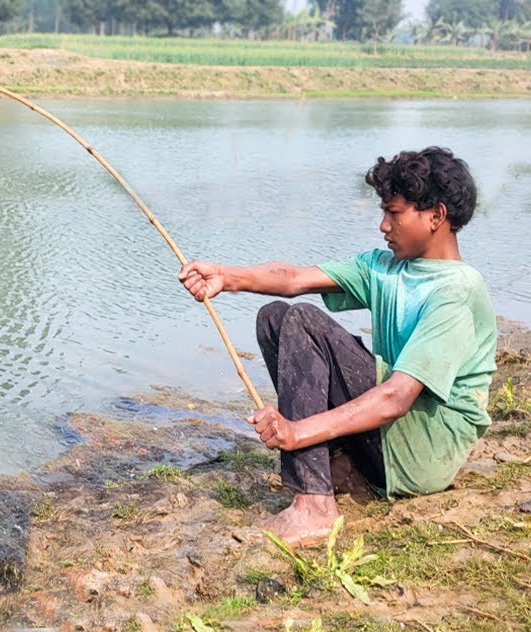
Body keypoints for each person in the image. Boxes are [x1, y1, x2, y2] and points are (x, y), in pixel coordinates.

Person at [178, 146, 497, 546]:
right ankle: (339, 467)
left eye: (394, 213)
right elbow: (295, 279)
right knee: (275, 317)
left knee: (304, 322)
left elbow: (397, 398)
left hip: (423, 454)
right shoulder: (386, 268)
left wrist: (298, 432)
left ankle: (314, 505)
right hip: (386, 440)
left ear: (436, 216)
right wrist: (227, 277)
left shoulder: (455, 291)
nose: (383, 226)